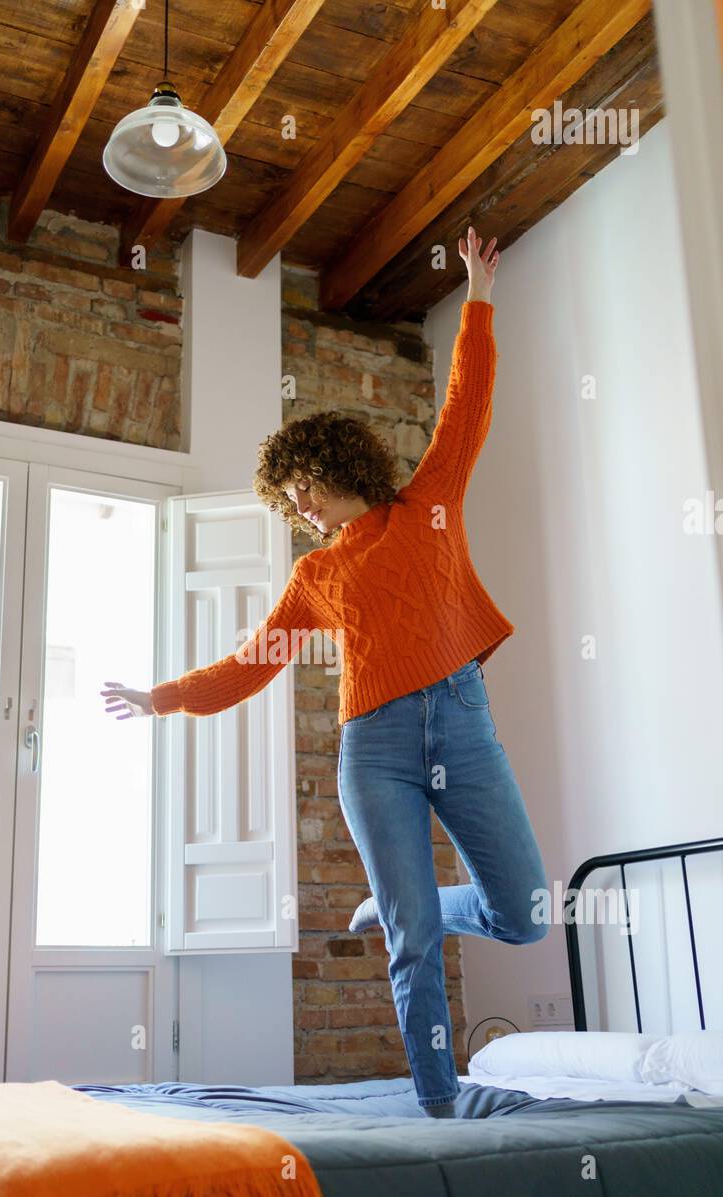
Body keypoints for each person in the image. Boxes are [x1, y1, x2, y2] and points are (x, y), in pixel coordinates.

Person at [101, 227, 548, 1119]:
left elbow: (468, 403)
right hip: (372, 748)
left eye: (302, 484)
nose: (298, 505)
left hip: (462, 723)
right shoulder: (315, 577)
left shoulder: (429, 504)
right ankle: (439, 1102)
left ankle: (402, 905)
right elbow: (250, 664)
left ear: (339, 463)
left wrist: (479, 298)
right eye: (286, 498)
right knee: (417, 944)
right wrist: (161, 698)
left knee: (528, 912)